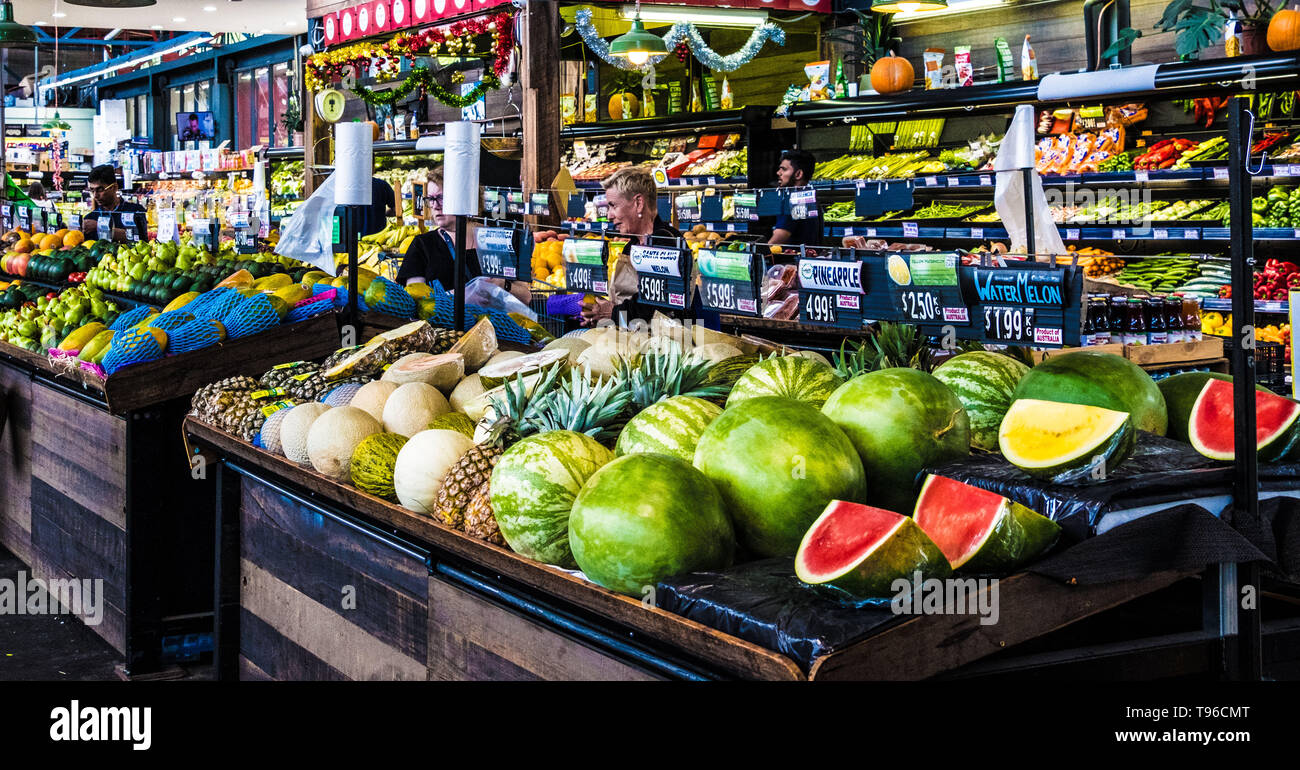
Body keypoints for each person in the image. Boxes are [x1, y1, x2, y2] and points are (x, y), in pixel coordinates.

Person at [395, 166, 530, 305]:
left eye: (442, 198)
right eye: (430, 198)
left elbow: (526, 297)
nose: (435, 206)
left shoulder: (496, 238)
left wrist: (504, 285)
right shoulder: (422, 245)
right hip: (443, 326)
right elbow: (416, 300)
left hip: (495, 326)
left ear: (466, 198)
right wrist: (461, 296)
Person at [580, 166, 680, 327]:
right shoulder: (631, 246)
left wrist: (612, 312)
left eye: (613, 206)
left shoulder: (666, 242)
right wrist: (598, 310)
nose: (610, 215)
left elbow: (654, 303)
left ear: (638, 203)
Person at [767, 149, 822, 248]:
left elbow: (781, 235)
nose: (778, 173)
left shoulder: (792, 199)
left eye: (784, 169)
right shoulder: (810, 198)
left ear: (798, 174)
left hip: (790, 261)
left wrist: (760, 253)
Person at [81, 165, 146, 243]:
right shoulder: (91, 218)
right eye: (92, 190)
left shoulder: (135, 211)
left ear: (115, 187)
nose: (95, 195)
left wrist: (99, 226)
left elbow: (140, 239)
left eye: (100, 189)